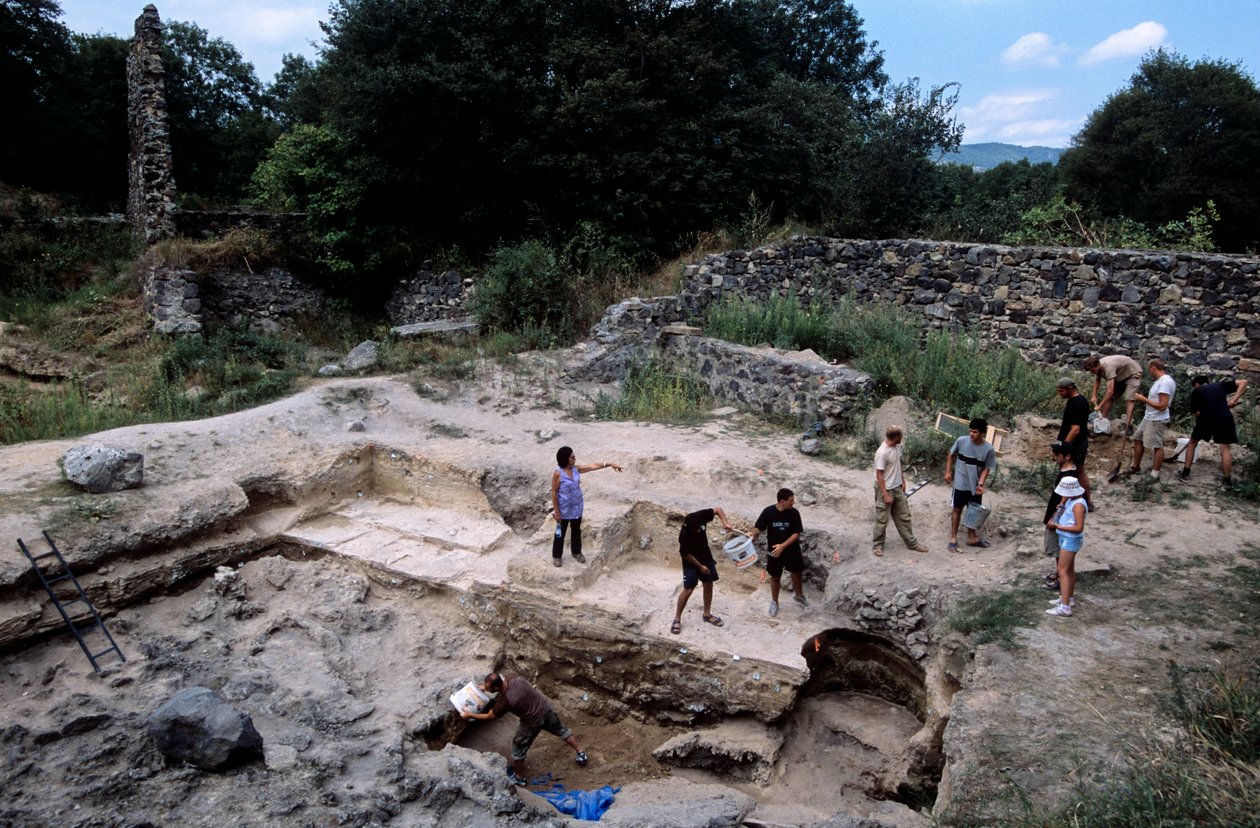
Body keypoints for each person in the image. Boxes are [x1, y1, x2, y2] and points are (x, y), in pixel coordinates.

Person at [461, 670, 588, 785]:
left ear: (495, 688)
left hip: (532, 722)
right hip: (545, 708)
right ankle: (581, 753)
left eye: (489, 687)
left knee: (518, 748)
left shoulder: (505, 702)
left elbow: (490, 716)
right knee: (561, 730)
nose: (487, 689)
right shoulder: (512, 677)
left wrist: (470, 715)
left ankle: (519, 777)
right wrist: (485, 688)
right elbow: (503, 688)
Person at [550, 446, 622, 568]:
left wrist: (610, 464)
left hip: (577, 506)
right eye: (572, 457)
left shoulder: (575, 469)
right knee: (560, 532)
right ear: (566, 459)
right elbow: (554, 493)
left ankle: (576, 552)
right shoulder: (558, 474)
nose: (575, 458)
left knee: (576, 530)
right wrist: (557, 512)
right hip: (564, 508)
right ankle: (557, 556)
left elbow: (593, 466)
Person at [671, 506, 733, 634]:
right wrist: (699, 567)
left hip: (706, 558)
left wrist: (725, 523)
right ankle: (677, 618)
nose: (699, 530)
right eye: (696, 529)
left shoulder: (700, 516)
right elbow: (686, 554)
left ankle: (707, 614)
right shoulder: (684, 535)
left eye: (700, 527)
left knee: (708, 585)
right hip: (691, 563)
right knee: (688, 589)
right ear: (689, 528)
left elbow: (718, 510)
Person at [1179, 376, 1248, 486]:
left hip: (1206, 418)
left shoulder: (1196, 391)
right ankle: (1227, 481)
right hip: (1225, 418)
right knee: (1225, 448)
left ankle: (1185, 473)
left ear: (1197, 384)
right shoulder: (1220, 385)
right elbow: (1243, 382)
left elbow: (1197, 413)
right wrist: (1234, 400)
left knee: (1192, 443)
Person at [871, 426, 929, 558]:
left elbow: (898, 465)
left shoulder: (897, 448)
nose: (902, 437)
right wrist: (885, 494)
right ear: (896, 437)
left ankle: (912, 543)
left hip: (896, 487)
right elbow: (879, 475)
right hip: (884, 488)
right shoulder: (882, 453)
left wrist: (902, 480)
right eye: (901, 435)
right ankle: (878, 545)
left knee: (904, 516)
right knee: (882, 519)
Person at [749, 488, 806, 617]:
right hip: (774, 552)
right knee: (775, 577)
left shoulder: (794, 513)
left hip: (792, 549)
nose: (793, 502)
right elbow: (759, 528)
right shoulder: (768, 512)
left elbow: (796, 534)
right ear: (782, 501)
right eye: (791, 500)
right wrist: (753, 534)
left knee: (796, 572)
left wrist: (782, 546)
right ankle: (775, 602)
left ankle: (799, 596)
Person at [945, 418, 997, 552]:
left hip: (974, 485)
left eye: (975, 432)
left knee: (973, 510)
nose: (972, 434)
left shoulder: (989, 449)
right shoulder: (961, 441)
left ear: (982, 433)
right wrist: (948, 471)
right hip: (960, 484)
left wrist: (980, 483)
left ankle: (971, 537)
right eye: (970, 431)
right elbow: (951, 455)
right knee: (957, 509)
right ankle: (953, 538)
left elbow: (986, 468)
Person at [1125, 359, 1176, 479]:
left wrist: (1143, 399)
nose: (1149, 373)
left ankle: (1155, 474)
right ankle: (1136, 466)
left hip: (1157, 419)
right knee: (1138, 438)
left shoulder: (1165, 382)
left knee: (1157, 445)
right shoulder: (1160, 381)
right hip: (1149, 416)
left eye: (1149, 370)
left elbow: (1163, 406)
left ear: (1153, 368)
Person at [1045, 476, 1088, 617]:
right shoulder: (1071, 501)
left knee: (1062, 571)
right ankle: (1068, 598)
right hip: (1066, 538)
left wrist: (1059, 526)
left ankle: (1065, 607)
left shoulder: (1078, 505)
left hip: (1070, 540)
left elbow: (1078, 527)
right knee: (1069, 570)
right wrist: (1063, 503)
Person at [1041, 441, 1078, 593]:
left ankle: (1060, 578)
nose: (1054, 457)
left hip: (1059, 519)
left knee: (1058, 549)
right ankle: (1058, 573)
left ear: (1067, 457)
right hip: (1057, 515)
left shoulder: (1068, 477)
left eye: (1058, 455)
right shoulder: (1066, 471)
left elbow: (1064, 501)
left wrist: (1053, 519)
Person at [1055, 377, 1092, 508]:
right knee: (1075, 471)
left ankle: (1085, 501)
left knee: (1077, 471)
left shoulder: (1077, 404)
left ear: (1070, 389)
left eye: (1061, 391)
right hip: (1076, 442)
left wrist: (1064, 447)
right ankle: (1075, 499)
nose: (1060, 394)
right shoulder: (1077, 400)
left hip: (1076, 443)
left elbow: (1075, 429)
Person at [1084, 354, 1142, 430]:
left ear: (1098, 365)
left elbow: (1110, 391)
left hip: (1133, 373)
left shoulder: (1108, 367)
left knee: (1129, 399)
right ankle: (1102, 420)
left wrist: (1100, 405)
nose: (1092, 372)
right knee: (1110, 398)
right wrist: (1094, 395)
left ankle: (1128, 425)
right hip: (1119, 375)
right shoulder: (1098, 367)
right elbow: (1098, 380)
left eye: (1092, 370)